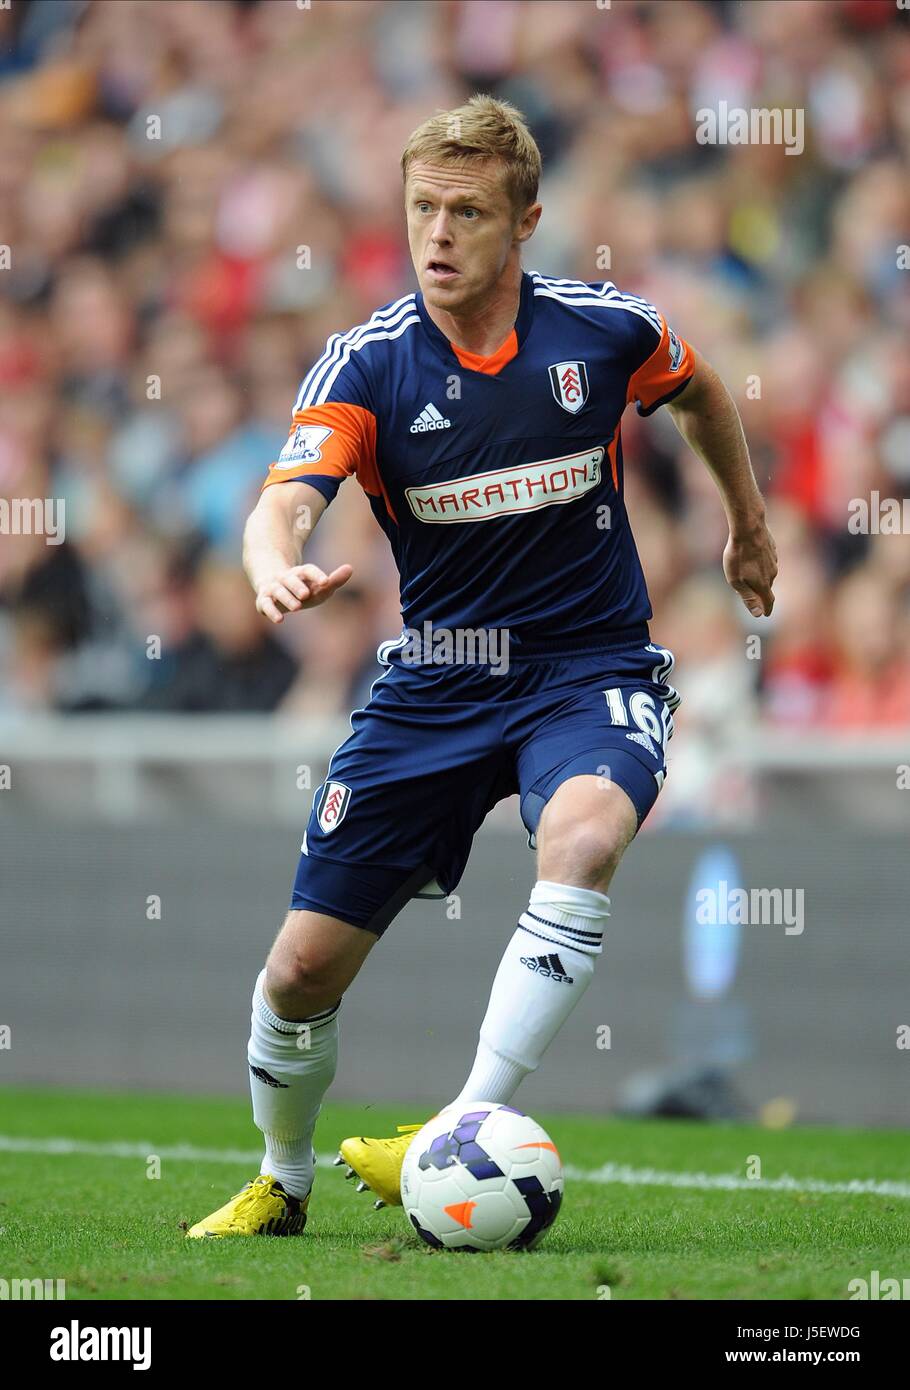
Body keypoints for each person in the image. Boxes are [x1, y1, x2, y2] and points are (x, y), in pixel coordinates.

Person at [187, 96, 777, 1239]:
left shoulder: (603, 333)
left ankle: (461, 1122)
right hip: (437, 681)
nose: (438, 234)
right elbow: (285, 500)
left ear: (525, 224)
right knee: (300, 975)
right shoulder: (368, 365)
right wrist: (272, 564)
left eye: (466, 211)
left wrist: (746, 525)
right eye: (421, 209)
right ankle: (283, 1178)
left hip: (587, 663)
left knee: (589, 834)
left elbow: (701, 389)